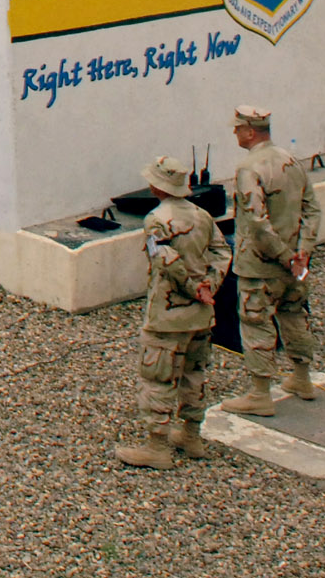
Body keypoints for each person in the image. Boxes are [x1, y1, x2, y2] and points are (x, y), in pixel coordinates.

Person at [114, 154, 231, 469]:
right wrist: (210, 285)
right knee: (194, 375)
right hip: (200, 315)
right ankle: (191, 435)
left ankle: (157, 446)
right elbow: (222, 251)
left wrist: (194, 288)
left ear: (157, 186)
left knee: (159, 378)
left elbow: (164, 260)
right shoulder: (202, 216)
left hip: (167, 314)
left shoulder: (155, 220)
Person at [218, 105, 317, 417]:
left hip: (261, 265)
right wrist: (302, 252)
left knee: (255, 323)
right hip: (294, 264)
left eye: (238, 129)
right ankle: (302, 378)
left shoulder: (250, 169)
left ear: (249, 131)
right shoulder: (290, 160)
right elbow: (311, 208)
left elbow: (257, 222)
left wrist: (285, 257)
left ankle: (260, 393)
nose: (235, 133)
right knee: (294, 315)